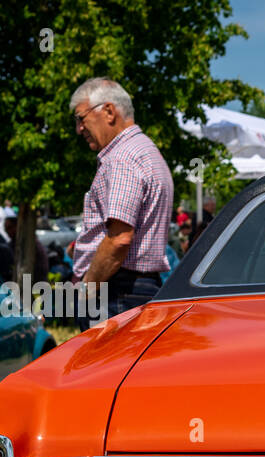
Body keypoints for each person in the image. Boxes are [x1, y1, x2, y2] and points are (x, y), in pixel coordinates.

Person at [69, 76, 173, 329]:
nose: (78, 129)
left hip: (117, 292)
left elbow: (119, 239)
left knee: (104, 368)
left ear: (108, 111)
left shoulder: (122, 159)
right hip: (134, 289)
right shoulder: (144, 150)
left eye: (81, 118)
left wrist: (87, 288)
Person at [3, 212, 49, 285]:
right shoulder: (14, 243)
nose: (7, 231)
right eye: (5, 229)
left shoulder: (28, 244)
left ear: (17, 226)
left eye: (9, 227)